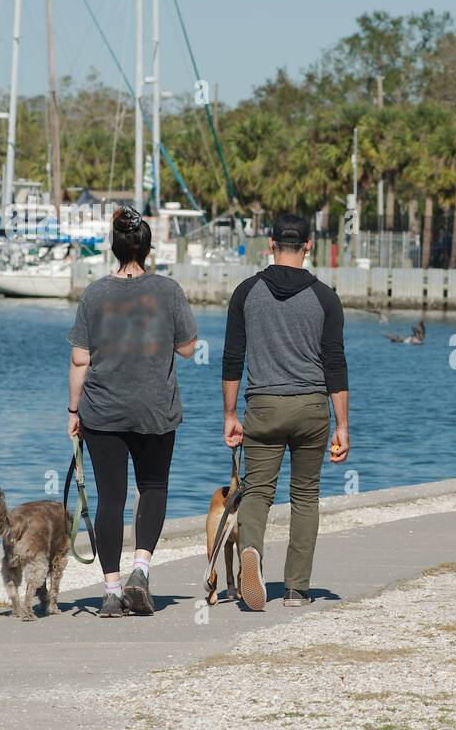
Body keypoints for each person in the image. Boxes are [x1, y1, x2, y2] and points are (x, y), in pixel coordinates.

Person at [67, 205, 198, 617]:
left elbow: (79, 360)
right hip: (155, 408)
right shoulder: (168, 290)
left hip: (102, 409)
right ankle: (141, 569)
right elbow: (188, 348)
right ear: (147, 248)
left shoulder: (95, 293)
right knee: (154, 487)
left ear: (114, 247)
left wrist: (73, 411)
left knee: (110, 498)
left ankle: (110, 590)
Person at [221, 214, 349, 611]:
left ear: (271, 244)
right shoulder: (325, 297)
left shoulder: (246, 293)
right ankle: (296, 589)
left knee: (258, 492)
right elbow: (335, 363)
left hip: (263, 405)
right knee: (305, 496)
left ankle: (253, 552)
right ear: (308, 246)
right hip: (311, 408)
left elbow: (232, 359)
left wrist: (230, 413)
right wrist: (342, 425)